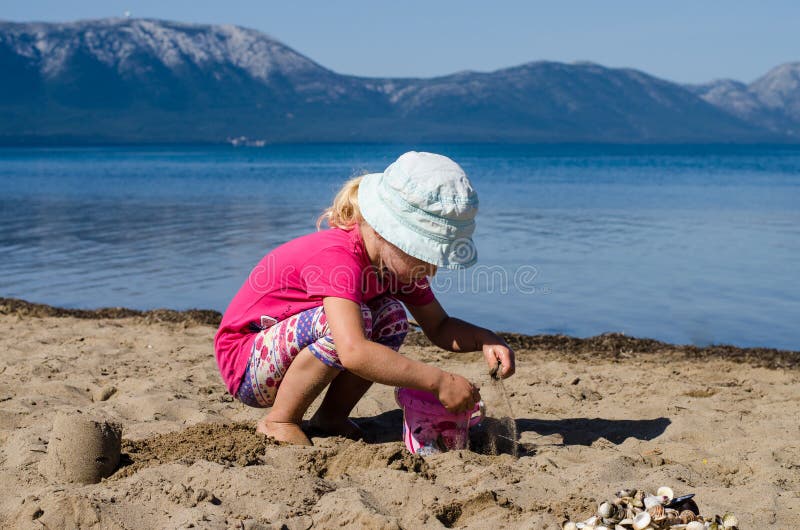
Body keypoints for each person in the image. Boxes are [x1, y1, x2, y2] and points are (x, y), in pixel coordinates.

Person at [214, 151, 516, 445]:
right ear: (388, 233)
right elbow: (353, 352)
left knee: (392, 317)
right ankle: (279, 420)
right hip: (247, 362)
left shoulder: (396, 268)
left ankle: (331, 418)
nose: (432, 269)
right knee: (350, 327)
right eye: (425, 254)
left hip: (282, 358)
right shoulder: (338, 258)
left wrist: (485, 339)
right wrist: (437, 381)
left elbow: (439, 326)